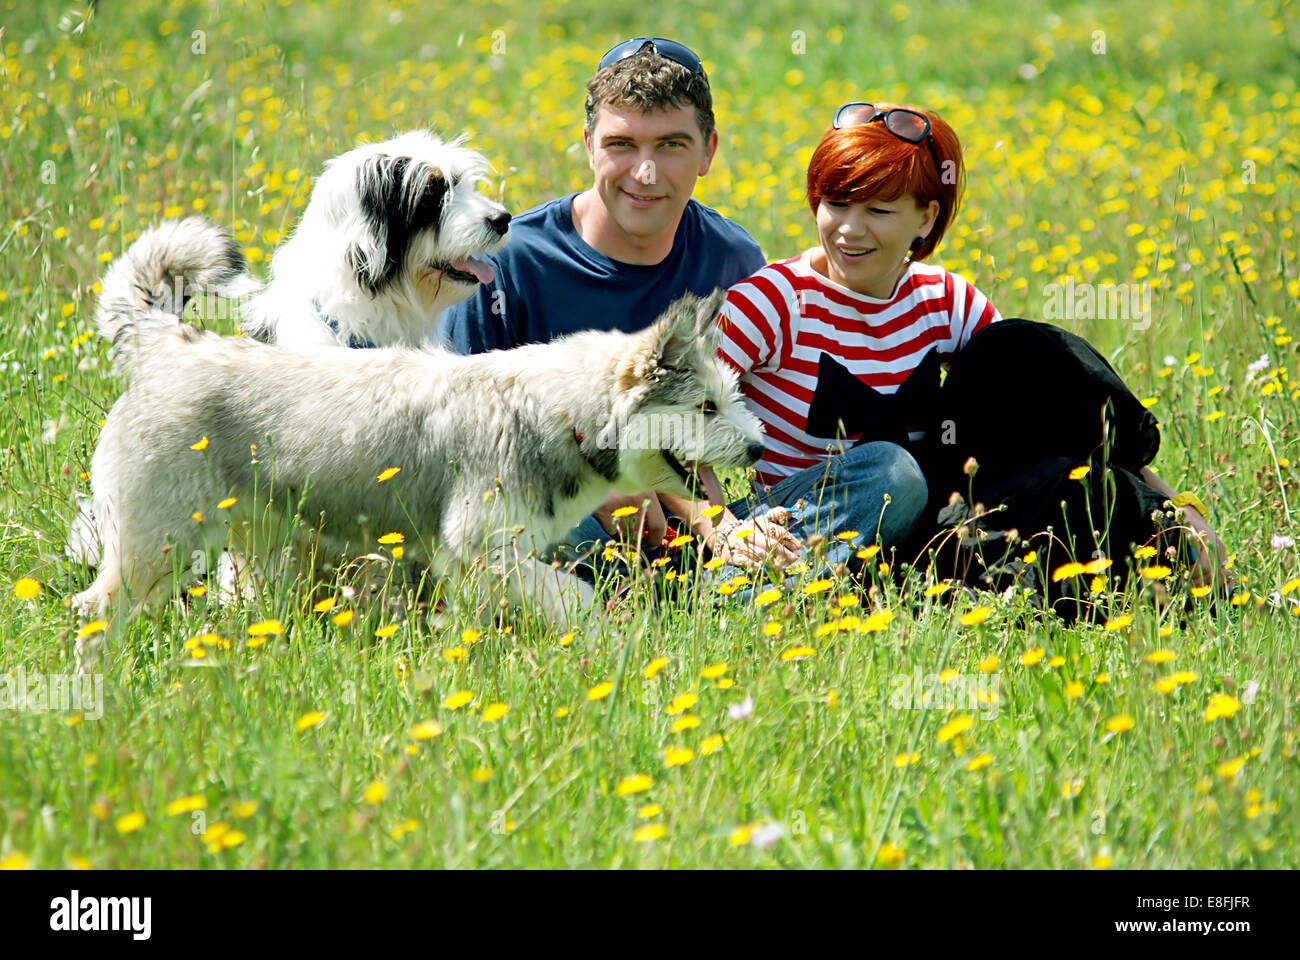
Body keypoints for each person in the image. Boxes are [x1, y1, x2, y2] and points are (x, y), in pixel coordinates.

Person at [443, 37, 764, 572]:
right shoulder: (507, 264)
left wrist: (722, 520)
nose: (645, 173)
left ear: (708, 152)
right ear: (589, 143)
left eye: (671, 145)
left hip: (701, 519)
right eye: (622, 144)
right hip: (559, 512)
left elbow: (731, 428)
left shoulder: (734, 261)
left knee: (887, 474)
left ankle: (722, 579)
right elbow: (459, 441)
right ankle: (715, 592)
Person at [663, 102, 998, 575]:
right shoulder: (774, 302)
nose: (848, 229)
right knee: (893, 472)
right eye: (835, 204)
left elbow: (1033, 385)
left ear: (925, 219)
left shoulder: (944, 301)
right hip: (780, 535)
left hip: (913, 536)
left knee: (1029, 355)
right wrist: (720, 530)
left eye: (879, 210)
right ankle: (736, 599)